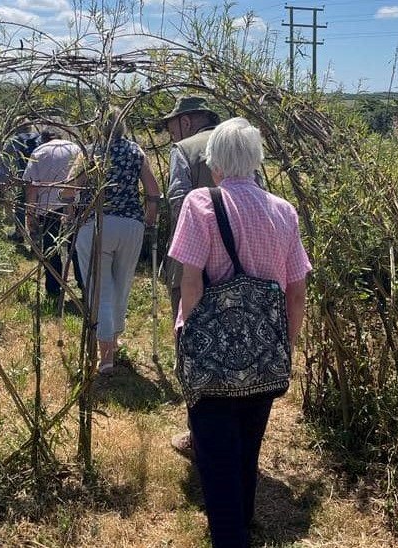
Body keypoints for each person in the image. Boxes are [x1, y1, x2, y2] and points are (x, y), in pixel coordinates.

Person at [168, 117, 311, 547]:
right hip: (266, 353)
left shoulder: (200, 204)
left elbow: (190, 284)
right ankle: (242, 526)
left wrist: (184, 332)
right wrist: (285, 344)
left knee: (215, 458)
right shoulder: (284, 211)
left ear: (215, 163)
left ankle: (231, 536)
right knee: (248, 451)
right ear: (255, 160)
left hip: (212, 357)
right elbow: (297, 291)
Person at [67, 107, 161, 373]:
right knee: (122, 284)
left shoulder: (90, 153)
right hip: (131, 225)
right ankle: (114, 342)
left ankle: (105, 355)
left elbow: (69, 188)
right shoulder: (136, 152)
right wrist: (149, 219)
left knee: (100, 289)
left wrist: (70, 212)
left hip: (96, 224)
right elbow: (153, 191)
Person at [161, 96, 221, 459]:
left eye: (172, 122)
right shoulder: (235, 142)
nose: (170, 130)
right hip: (234, 262)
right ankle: (228, 424)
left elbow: (177, 199)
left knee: (190, 342)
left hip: (190, 261)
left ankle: (199, 434)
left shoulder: (183, 150)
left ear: (188, 120)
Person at [23, 123, 82, 298]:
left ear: (43, 138)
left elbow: (31, 187)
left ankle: (53, 289)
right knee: (78, 248)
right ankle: (85, 285)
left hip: (48, 209)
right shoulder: (76, 149)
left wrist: (30, 214)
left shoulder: (39, 152)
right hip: (75, 205)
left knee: (51, 250)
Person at [0, 121, 42, 242]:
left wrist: (3, 179)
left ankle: (20, 233)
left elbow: (4, 161)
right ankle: (35, 237)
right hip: (38, 179)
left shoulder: (13, 141)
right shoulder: (39, 137)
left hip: (20, 178)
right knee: (36, 207)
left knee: (20, 206)